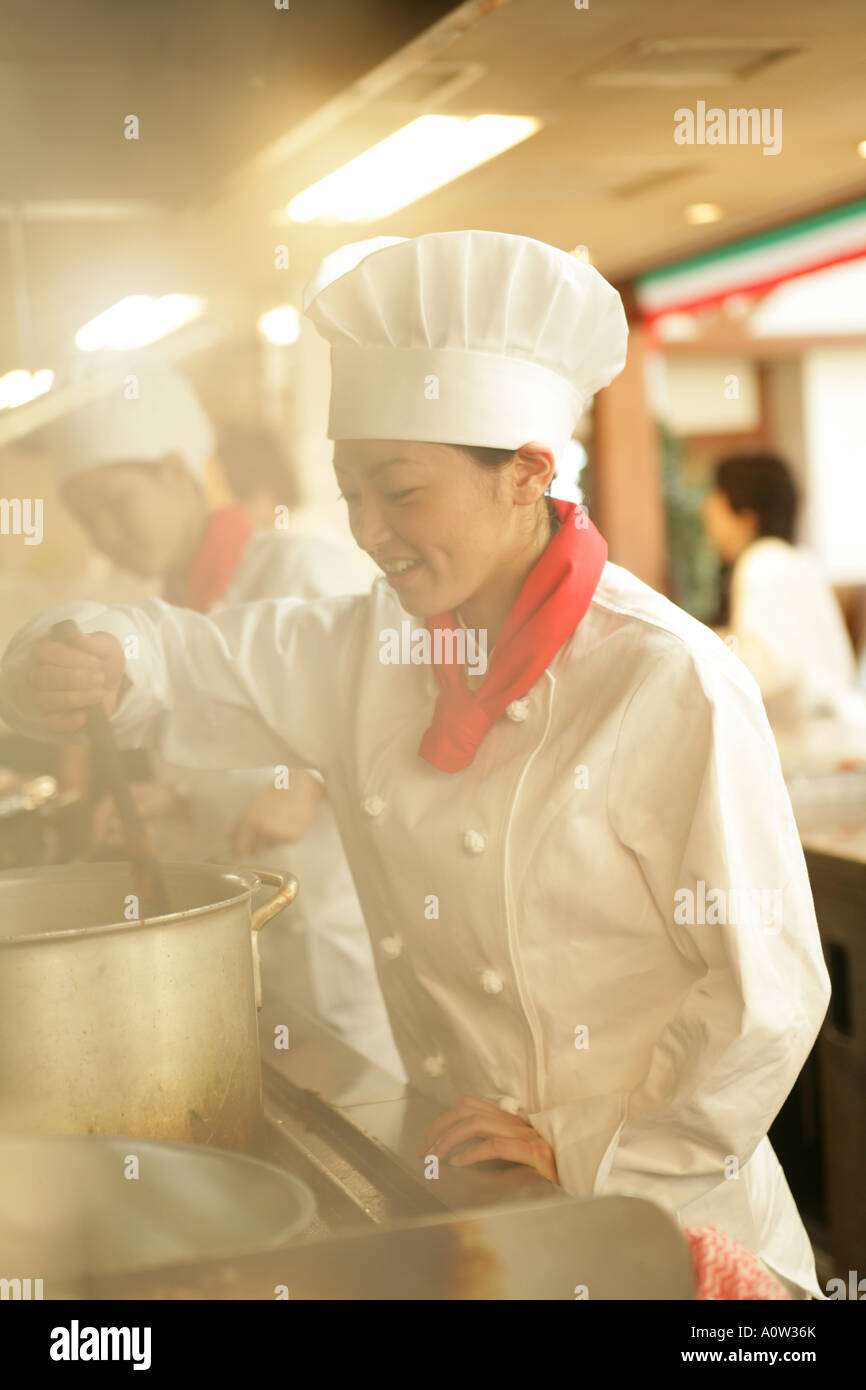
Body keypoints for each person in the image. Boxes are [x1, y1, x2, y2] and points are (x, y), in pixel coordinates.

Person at [0, 231, 831, 1298]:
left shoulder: (665, 680)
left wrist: (586, 1149)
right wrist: (89, 655)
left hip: (665, 1228)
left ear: (526, 472)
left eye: (398, 491)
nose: (367, 533)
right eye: (349, 493)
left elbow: (763, 996)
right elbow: (189, 655)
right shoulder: (367, 648)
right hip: (469, 1195)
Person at [38, 368, 406, 1079]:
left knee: (375, 1128)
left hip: (352, 948)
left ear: (178, 472)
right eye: (89, 521)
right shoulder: (168, 618)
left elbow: (397, 696)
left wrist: (307, 782)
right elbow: (231, 753)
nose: (106, 535)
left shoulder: (298, 564)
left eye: (117, 503)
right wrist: (176, 801)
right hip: (263, 954)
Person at [702, 451, 866, 775]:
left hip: (810, 748)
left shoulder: (760, 562)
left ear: (746, 515)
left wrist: (707, 646)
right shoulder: (800, 560)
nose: (705, 509)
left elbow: (767, 665)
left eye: (715, 498)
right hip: (839, 733)